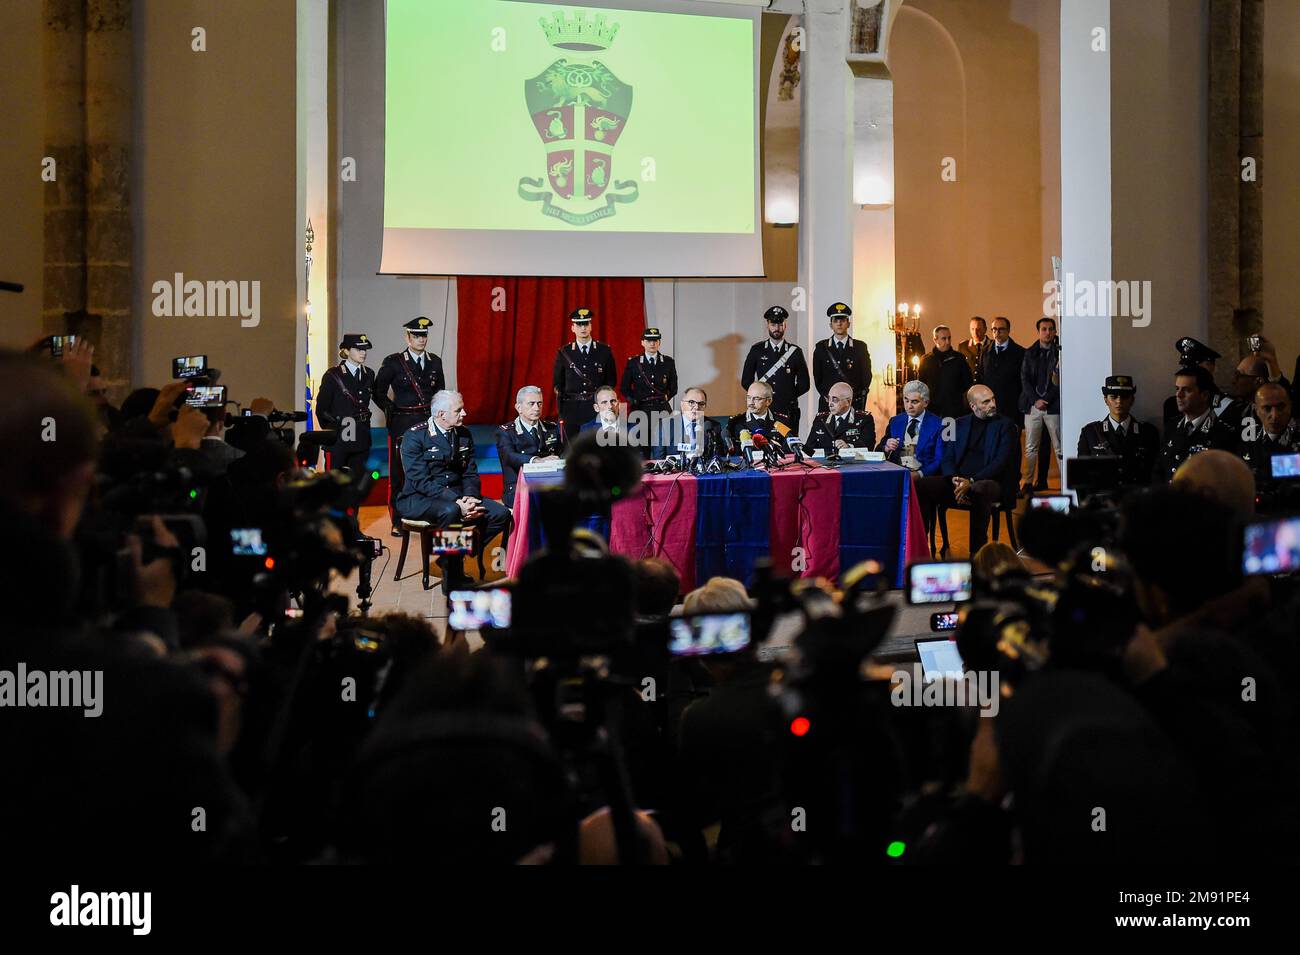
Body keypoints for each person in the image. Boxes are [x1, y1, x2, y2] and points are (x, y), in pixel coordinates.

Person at [398, 390, 512, 591]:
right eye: (459, 410)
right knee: (451, 511)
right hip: (419, 497)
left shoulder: (464, 434)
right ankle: (452, 579)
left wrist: (469, 497)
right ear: (441, 414)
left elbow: (470, 473)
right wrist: (457, 502)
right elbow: (420, 481)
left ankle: (451, 556)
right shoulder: (415, 436)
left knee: (500, 514)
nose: (465, 413)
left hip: (457, 495)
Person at [915, 384, 1019, 554]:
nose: (992, 404)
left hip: (991, 482)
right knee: (922, 485)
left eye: (993, 399)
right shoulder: (957, 424)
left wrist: (970, 481)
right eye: (986, 402)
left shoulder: (1006, 426)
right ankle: (920, 549)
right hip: (959, 481)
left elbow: (1000, 462)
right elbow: (947, 456)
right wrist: (954, 478)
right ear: (973, 406)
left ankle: (976, 554)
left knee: (980, 489)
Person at [374, 317, 446, 534]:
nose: (421, 339)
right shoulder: (394, 362)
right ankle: (398, 519)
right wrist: (391, 410)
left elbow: (439, 393)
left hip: (427, 422)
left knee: (432, 468)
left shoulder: (435, 361)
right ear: (407, 337)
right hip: (403, 423)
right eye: (416, 335)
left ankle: (429, 514)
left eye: (424, 335)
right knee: (400, 472)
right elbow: (377, 391)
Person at [1156, 365, 1240, 482]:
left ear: (1204, 395)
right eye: (1177, 389)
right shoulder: (1172, 426)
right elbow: (1159, 471)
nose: (1179, 395)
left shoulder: (1222, 432)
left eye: (1186, 390)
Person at [1075, 375, 1158, 488]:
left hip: (1137, 502)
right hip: (1104, 502)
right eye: (1113, 397)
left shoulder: (1148, 433)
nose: (1119, 401)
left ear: (1132, 400)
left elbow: (1155, 475)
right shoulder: (1090, 433)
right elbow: (1081, 477)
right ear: (1106, 400)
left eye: (1124, 397)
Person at [315, 332, 377, 474]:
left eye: (365, 349)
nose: (363, 353)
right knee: (335, 480)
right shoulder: (333, 375)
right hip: (340, 436)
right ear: (347, 351)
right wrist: (332, 432)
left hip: (361, 435)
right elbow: (322, 409)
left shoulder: (369, 374)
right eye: (358, 349)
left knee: (358, 481)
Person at [741, 305, 810, 434]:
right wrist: (758, 399)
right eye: (773, 324)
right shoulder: (757, 350)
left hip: (787, 409)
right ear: (768, 325)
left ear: (785, 325)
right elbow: (746, 380)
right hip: (763, 409)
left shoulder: (795, 352)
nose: (776, 328)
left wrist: (787, 396)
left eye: (780, 324)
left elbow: (804, 384)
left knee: (789, 446)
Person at [553, 306, 617, 443]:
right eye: (579, 324)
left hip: (596, 409)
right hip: (572, 410)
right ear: (573, 328)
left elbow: (611, 381)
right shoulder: (564, 352)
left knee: (598, 447)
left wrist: (604, 405)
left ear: (591, 326)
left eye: (586, 323)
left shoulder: (604, 351)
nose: (583, 328)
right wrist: (563, 410)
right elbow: (558, 383)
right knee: (573, 450)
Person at [495, 385, 562, 510]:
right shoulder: (506, 432)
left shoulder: (551, 428)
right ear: (518, 407)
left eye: (539, 403)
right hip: (519, 487)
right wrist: (536, 461)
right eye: (531, 404)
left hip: (549, 483)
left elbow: (563, 453)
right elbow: (509, 456)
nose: (536, 408)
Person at [1018, 317, 1061, 495]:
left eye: (1051, 329)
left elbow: (1059, 381)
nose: (1048, 332)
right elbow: (1025, 379)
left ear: (1055, 331)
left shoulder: (1060, 352)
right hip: (1032, 405)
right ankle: (1027, 482)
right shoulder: (1030, 352)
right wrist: (1035, 399)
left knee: (1059, 446)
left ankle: (1066, 480)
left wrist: (1047, 400)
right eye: (1044, 329)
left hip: (1053, 406)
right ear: (1038, 332)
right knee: (1030, 447)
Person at [1160, 337, 1236, 428]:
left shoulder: (1224, 403)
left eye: (1193, 370)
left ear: (1211, 368)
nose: (1186, 373)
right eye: (1185, 368)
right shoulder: (1172, 405)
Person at [812, 302, 871, 414]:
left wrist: (853, 397)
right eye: (835, 320)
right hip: (829, 404)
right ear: (831, 325)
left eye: (843, 320)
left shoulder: (860, 347)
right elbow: (818, 378)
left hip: (853, 403)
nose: (839, 324)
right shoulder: (821, 348)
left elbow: (866, 376)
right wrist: (829, 397)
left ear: (848, 324)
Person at [876, 379, 943, 475]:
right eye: (906, 400)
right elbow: (878, 451)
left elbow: (940, 460)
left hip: (924, 478)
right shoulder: (895, 421)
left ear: (926, 402)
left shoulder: (939, 424)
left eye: (914, 402)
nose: (909, 406)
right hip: (896, 474)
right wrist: (886, 447)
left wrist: (920, 474)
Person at [1240, 381, 1300, 484]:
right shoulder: (1246, 438)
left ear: (1290, 406)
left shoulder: (1296, 439)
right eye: (1267, 408)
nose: (1275, 415)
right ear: (1256, 410)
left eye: (1281, 407)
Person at [620, 326, 677, 426]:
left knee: (665, 439)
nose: (652, 343)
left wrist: (666, 397)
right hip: (640, 409)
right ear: (642, 342)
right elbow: (624, 387)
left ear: (659, 342)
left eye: (655, 340)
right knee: (640, 440)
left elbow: (673, 387)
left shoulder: (668, 362)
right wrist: (633, 399)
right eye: (649, 340)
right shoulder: (634, 362)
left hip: (662, 408)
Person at [917, 324, 973, 422]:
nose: (948, 342)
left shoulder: (959, 359)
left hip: (953, 411)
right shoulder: (926, 360)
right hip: (932, 410)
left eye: (949, 338)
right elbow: (921, 385)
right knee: (933, 436)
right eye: (944, 338)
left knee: (950, 436)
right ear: (935, 339)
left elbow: (967, 382)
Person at [804, 381, 876, 456]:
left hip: (851, 465)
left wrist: (849, 447)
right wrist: (799, 447)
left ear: (848, 402)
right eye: (829, 399)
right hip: (824, 465)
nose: (830, 404)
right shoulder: (821, 419)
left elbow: (869, 447)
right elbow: (809, 449)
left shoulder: (864, 419)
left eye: (835, 400)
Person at [978, 316, 1024, 429]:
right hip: (989, 406)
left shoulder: (1020, 352)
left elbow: (1022, 381)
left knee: (1010, 441)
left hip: (1011, 406)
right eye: (994, 329)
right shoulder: (985, 351)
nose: (997, 332)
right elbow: (981, 376)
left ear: (1008, 330)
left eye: (1001, 329)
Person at [727, 381, 792, 455]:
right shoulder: (736, 423)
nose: (751, 402)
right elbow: (733, 454)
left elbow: (788, 453)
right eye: (748, 397)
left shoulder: (781, 421)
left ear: (768, 401)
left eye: (756, 398)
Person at [663, 387, 728, 460]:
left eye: (701, 404)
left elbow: (719, 456)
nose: (697, 407)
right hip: (676, 470)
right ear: (682, 405)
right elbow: (658, 459)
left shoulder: (713, 426)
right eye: (691, 402)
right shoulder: (665, 426)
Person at [957, 316, 989, 382]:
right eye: (972, 329)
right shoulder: (963, 346)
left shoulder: (992, 345)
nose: (975, 332)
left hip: (986, 387)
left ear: (985, 329)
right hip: (969, 386)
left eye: (978, 329)